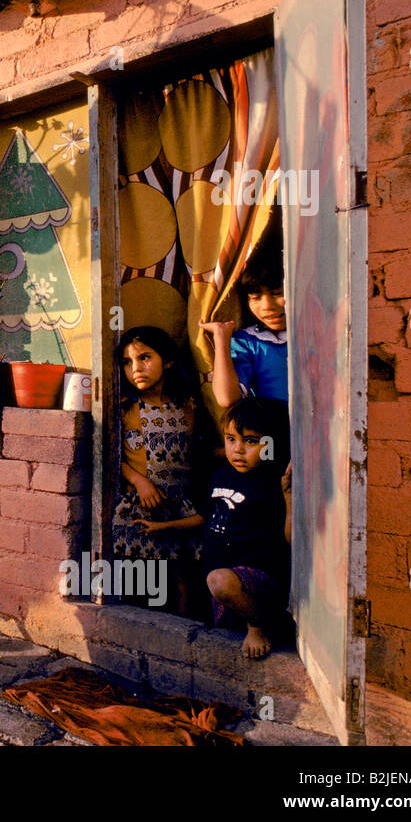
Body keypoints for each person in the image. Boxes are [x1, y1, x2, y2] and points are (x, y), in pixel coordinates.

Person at [110, 326, 203, 615]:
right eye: (127, 362)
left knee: (182, 578)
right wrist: (139, 481)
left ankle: (182, 641)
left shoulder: (186, 407)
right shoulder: (125, 408)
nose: (135, 368)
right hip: (140, 506)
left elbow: (196, 451)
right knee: (140, 581)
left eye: (145, 358)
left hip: (178, 507)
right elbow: (111, 455)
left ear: (169, 361)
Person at [202, 398, 292, 659]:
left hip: (257, 580)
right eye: (231, 439)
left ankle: (258, 626)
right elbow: (208, 517)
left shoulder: (276, 481)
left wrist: (288, 498)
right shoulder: (221, 475)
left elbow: (291, 540)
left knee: (219, 581)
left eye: (251, 441)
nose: (238, 450)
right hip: (222, 579)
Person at [200, 248, 288, 409]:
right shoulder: (247, 342)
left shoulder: (314, 331)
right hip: (271, 431)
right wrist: (221, 339)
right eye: (255, 298)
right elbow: (227, 398)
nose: (267, 306)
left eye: (276, 293)